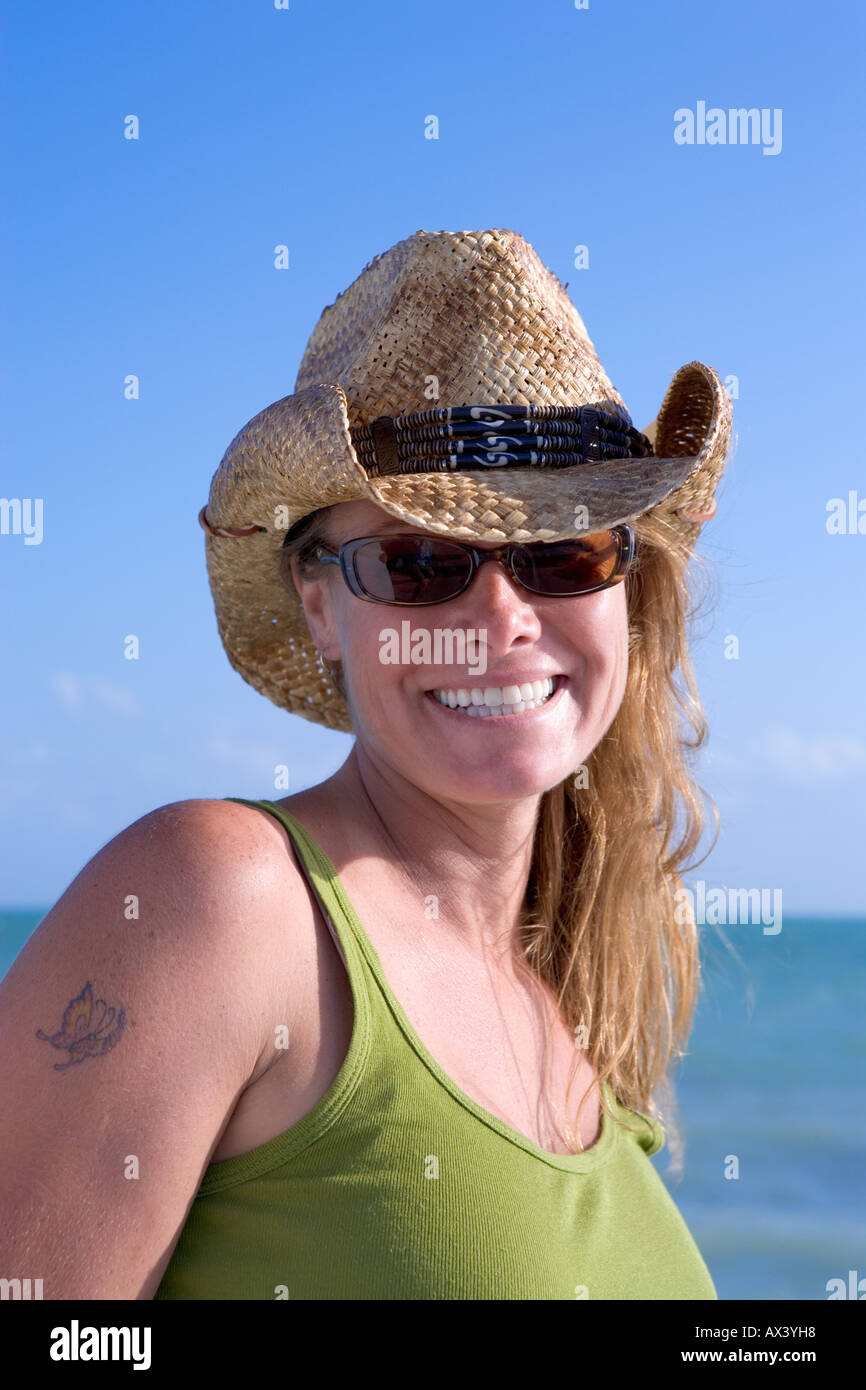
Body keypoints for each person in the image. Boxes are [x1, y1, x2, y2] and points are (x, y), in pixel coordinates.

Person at [0, 228, 732, 1299]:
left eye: (563, 551)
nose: (499, 617)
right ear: (319, 605)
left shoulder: (573, 1013)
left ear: (623, 585)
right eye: (419, 562)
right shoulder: (225, 900)